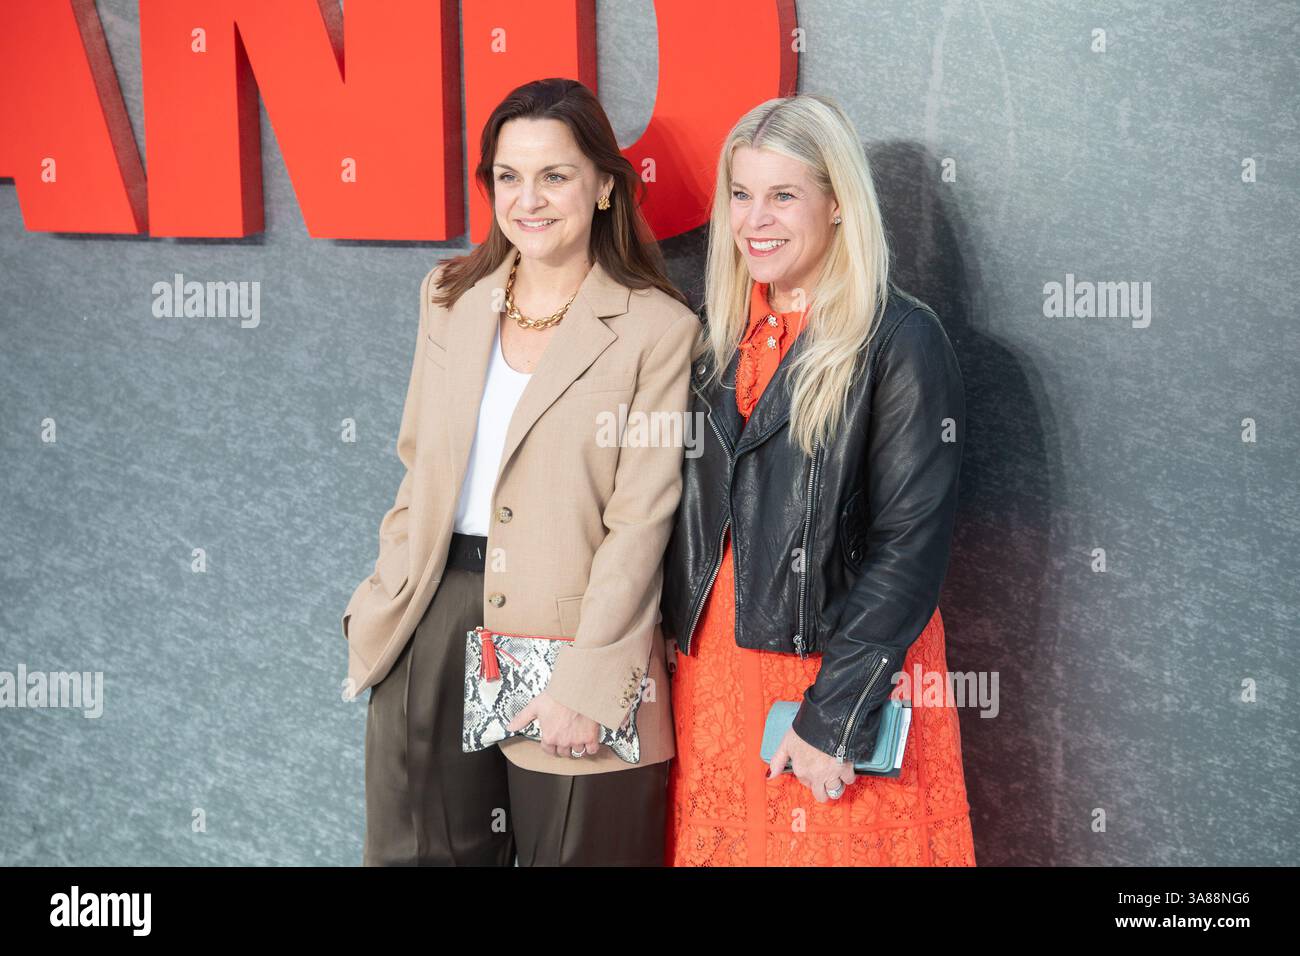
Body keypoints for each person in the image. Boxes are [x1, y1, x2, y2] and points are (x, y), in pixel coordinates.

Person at [341, 78, 699, 866]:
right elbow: (416, 467)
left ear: (605, 185)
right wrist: (387, 596)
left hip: (578, 638)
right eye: (508, 176)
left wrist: (590, 679)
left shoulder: (658, 330)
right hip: (430, 621)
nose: (528, 199)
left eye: (555, 175)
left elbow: (643, 522)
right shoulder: (448, 297)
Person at [659, 93, 977, 866]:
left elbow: (910, 550)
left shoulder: (901, 339)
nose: (754, 219)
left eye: (783, 196)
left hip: (829, 689)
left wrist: (834, 717)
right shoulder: (717, 342)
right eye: (741, 194)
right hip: (716, 687)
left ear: (837, 205)